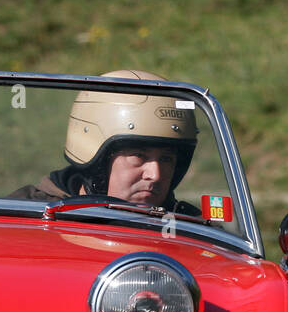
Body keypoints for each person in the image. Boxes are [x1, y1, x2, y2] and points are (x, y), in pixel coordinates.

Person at [10, 69, 201, 216]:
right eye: (139, 156)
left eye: (166, 159)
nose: (155, 175)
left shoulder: (191, 230)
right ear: (96, 161)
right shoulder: (23, 216)